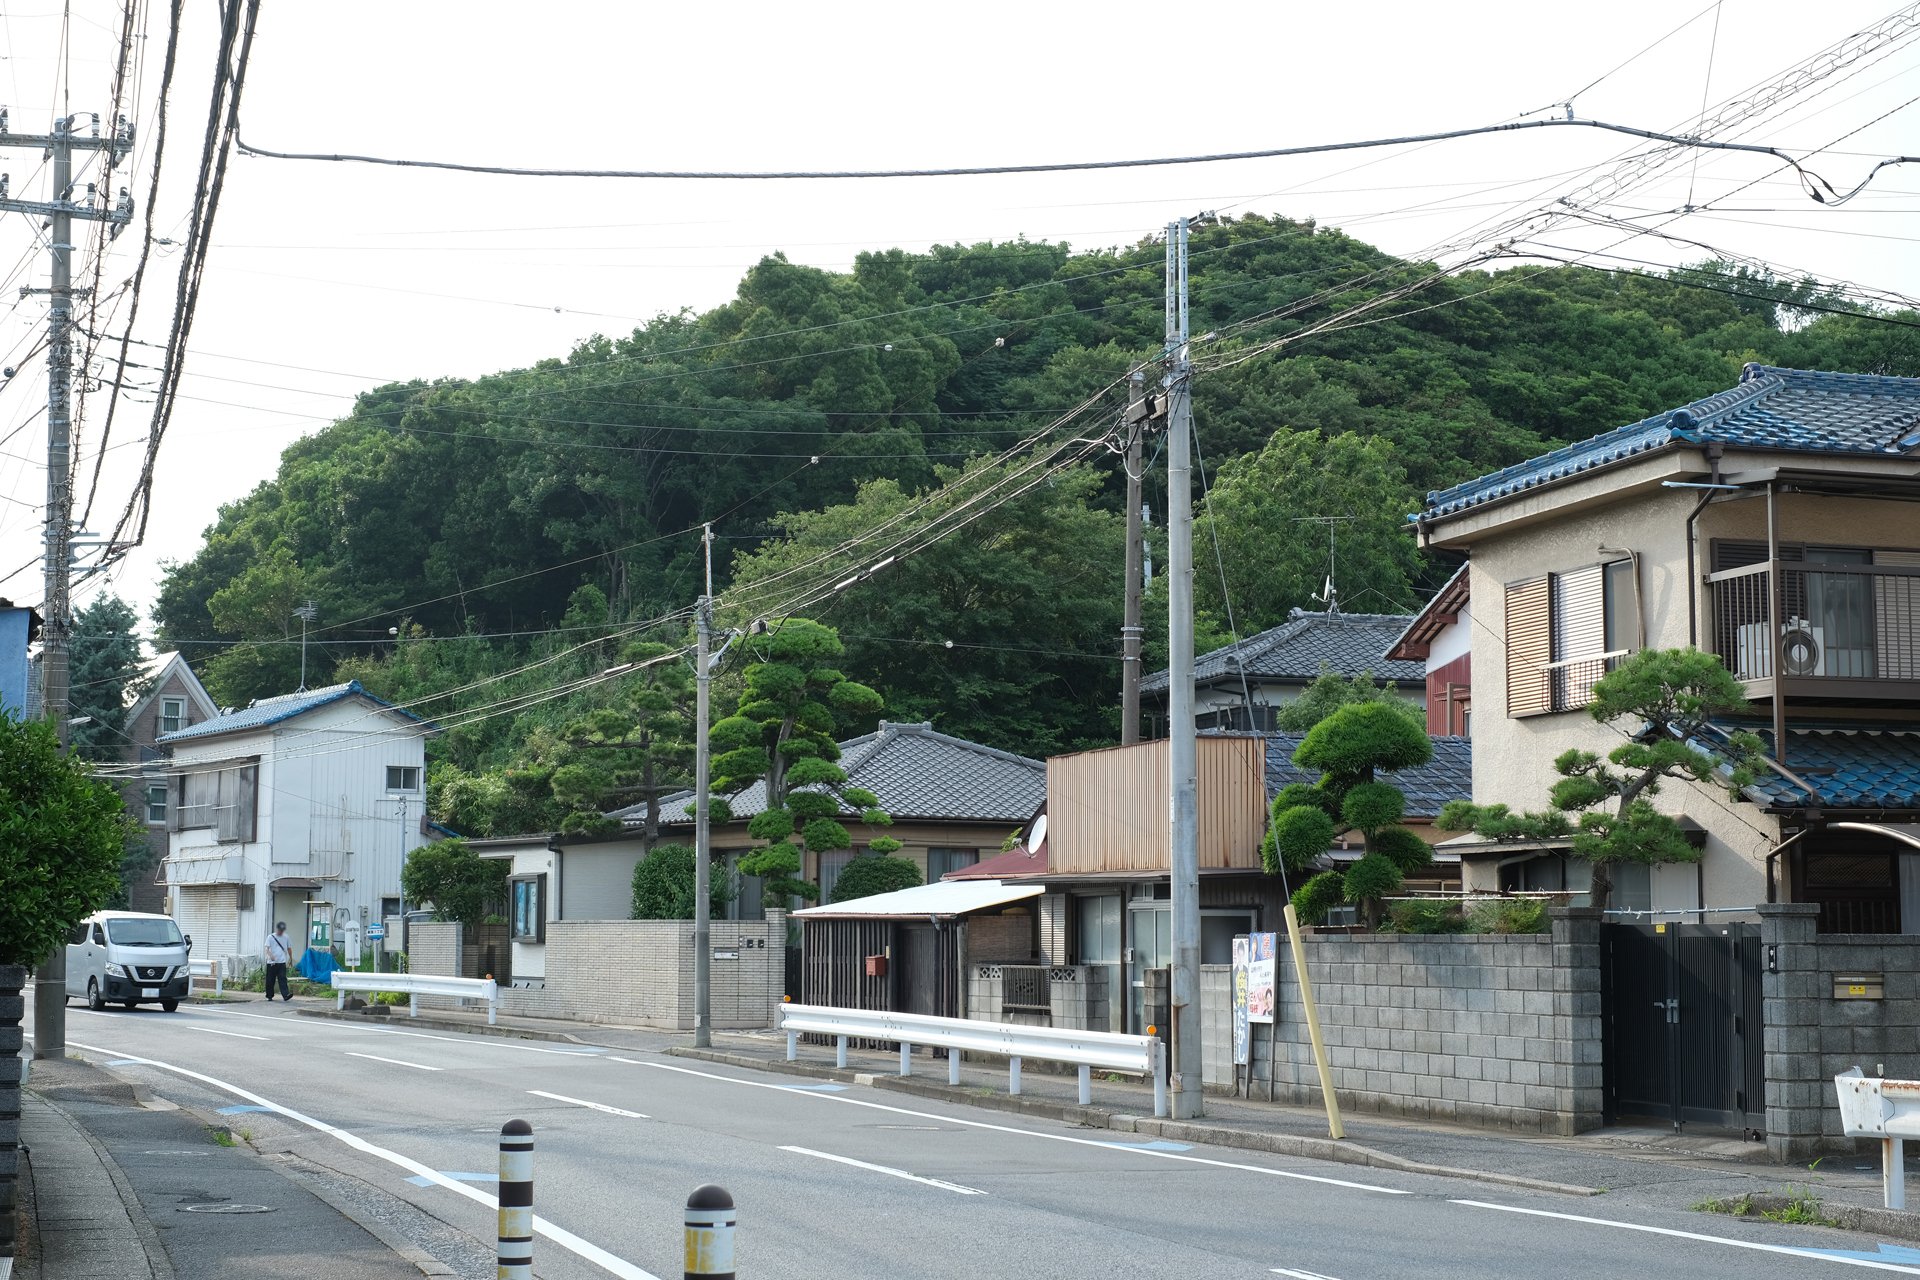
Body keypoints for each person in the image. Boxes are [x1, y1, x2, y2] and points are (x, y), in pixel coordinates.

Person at [263, 921, 293, 1002]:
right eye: (280, 930)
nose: (281, 931)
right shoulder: (270, 937)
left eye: (282, 930)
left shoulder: (286, 937)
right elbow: (267, 948)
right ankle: (269, 995)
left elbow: (289, 948)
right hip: (271, 962)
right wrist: (270, 955)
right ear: (277, 929)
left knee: (282, 978)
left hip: (281, 961)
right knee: (270, 979)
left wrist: (290, 958)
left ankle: (285, 995)